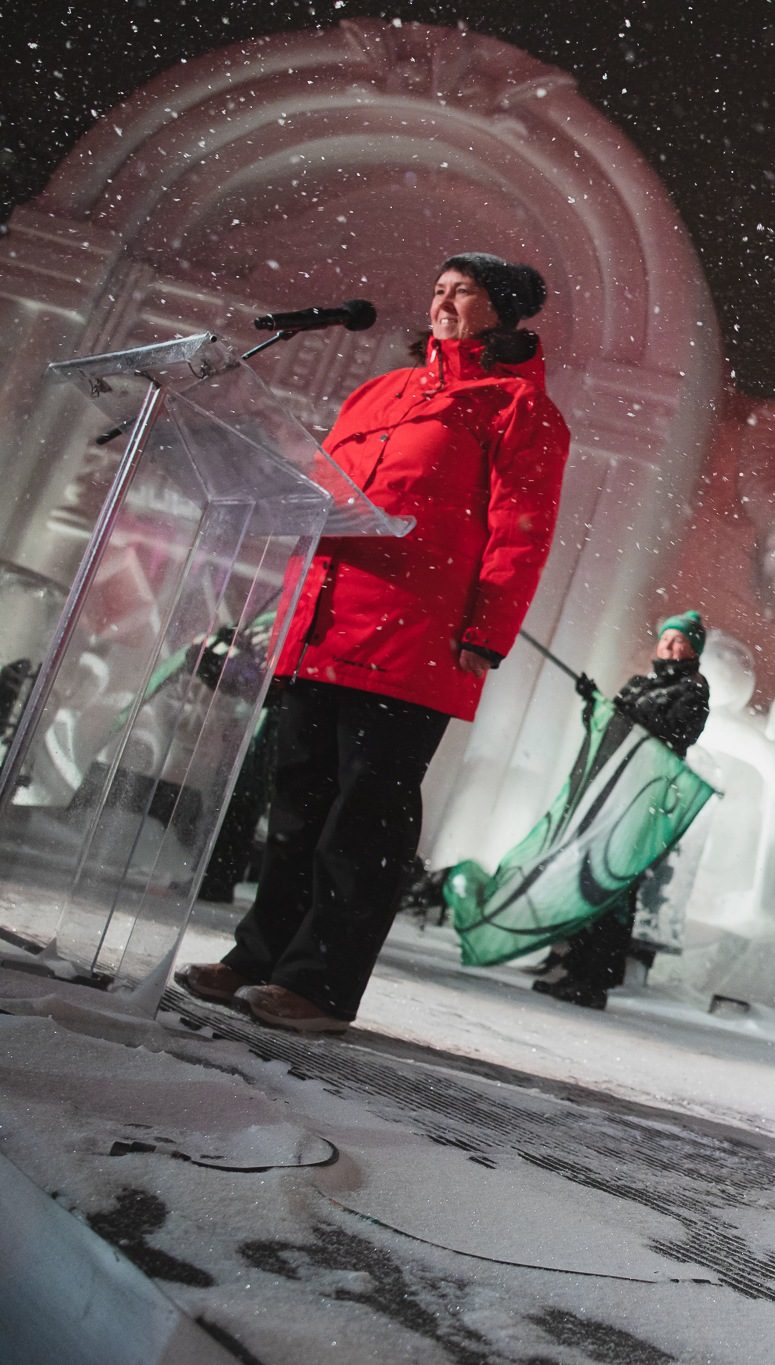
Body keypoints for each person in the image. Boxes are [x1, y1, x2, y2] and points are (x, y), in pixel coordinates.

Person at [175, 253, 572, 1033]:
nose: (443, 300)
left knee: (361, 820)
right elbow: (327, 489)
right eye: (437, 288)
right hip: (321, 619)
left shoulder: (517, 407)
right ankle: (259, 957)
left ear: (505, 312)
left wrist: (486, 632)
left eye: (464, 292)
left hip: (411, 636)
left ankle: (320, 985)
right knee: (295, 809)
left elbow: (521, 531)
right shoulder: (381, 391)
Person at [443, 612, 714, 1010]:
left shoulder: (693, 689)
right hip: (608, 795)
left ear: (694, 650)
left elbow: (671, 735)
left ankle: (595, 978)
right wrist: (596, 705)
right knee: (585, 875)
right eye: (667, 639)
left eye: (680, 642)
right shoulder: (642, 684)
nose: (671, 648)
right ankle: (572, 965)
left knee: (615, 887)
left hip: (639, 801)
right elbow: (608, 730)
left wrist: (624, 715)